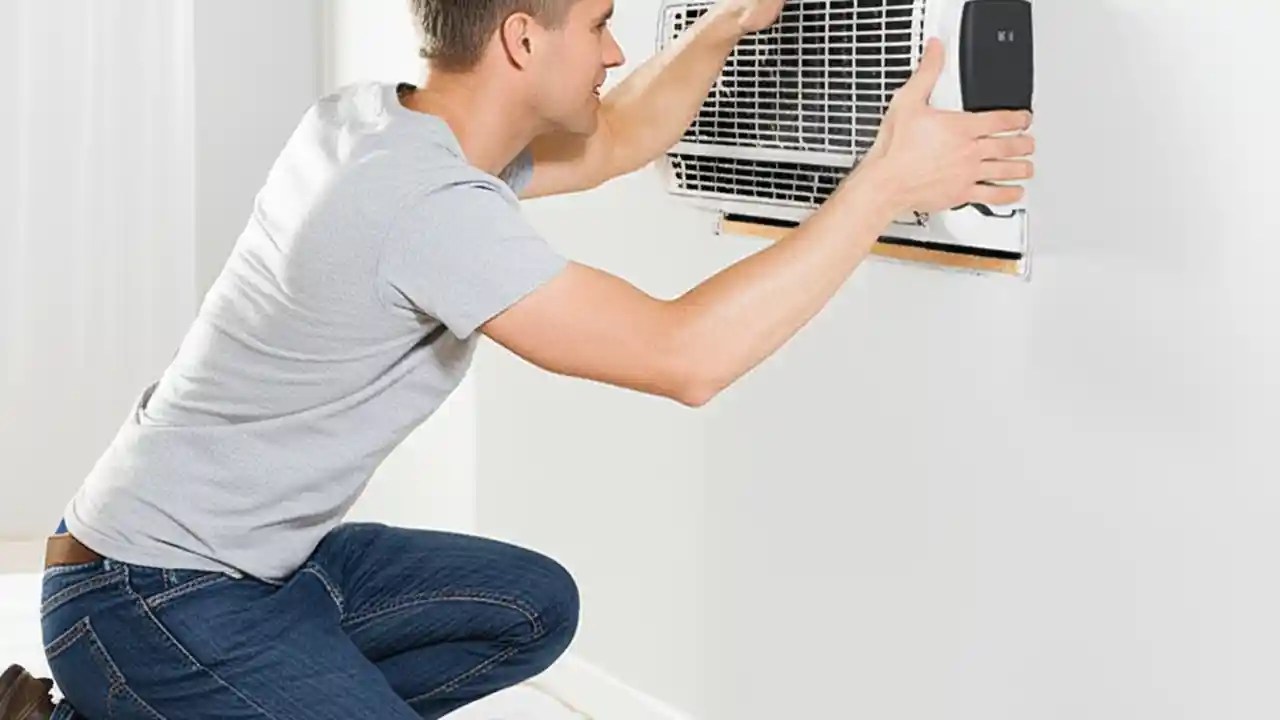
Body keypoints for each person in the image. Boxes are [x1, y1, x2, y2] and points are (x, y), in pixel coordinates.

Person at [0, 0, 1034, 717]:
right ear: (522, 37)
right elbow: (686, 356)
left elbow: (620, 136)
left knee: (528, 607)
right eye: (599, 24)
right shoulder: (425, 205)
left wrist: (724, 25)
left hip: (236, 562)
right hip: (149, 594)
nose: (615, 51)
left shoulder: (375, 123)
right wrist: (881, 186)